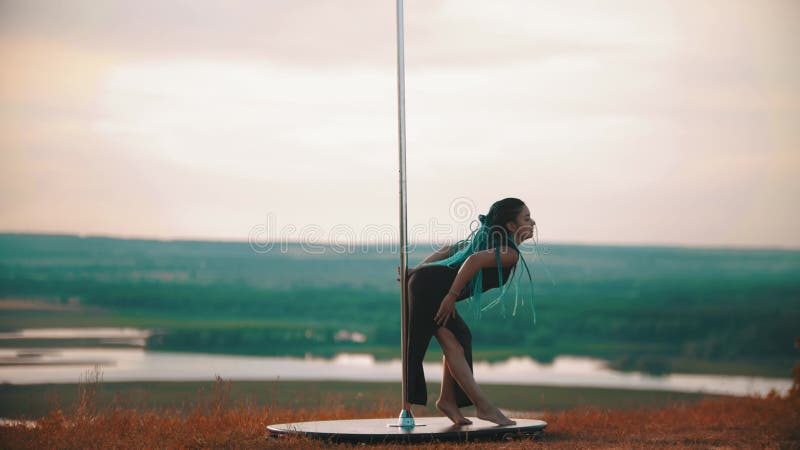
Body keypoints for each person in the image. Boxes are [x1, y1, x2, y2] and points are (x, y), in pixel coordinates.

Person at [395, 197, 536, 426]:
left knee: (461, 337)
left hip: (426, 283)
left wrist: (415, 272)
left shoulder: (488, 239)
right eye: (527, 218)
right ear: (511, 226)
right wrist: (450, 297)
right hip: (431, 289)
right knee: (453, 344)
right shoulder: (508, 253)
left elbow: (448, 250)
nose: (533, 223)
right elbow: (472, 261)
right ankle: (484, 407)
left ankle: (448, 400)